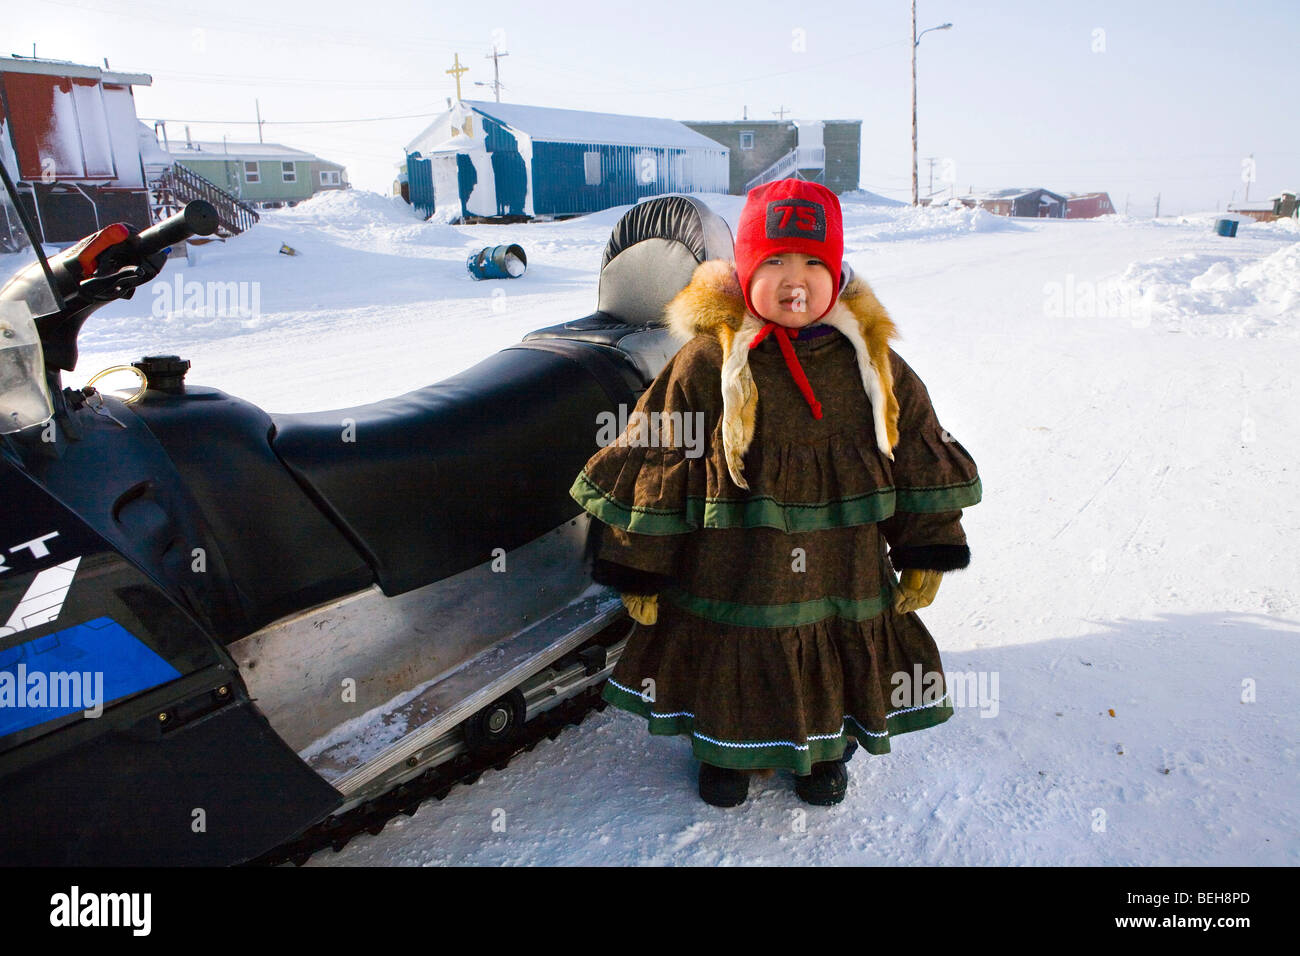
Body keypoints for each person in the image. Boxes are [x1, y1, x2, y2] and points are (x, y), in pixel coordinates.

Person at [569, 179, 981, 808]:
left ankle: (823, 753)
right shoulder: (708, 362)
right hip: (732, 572)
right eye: (776, 262)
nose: (796, 280)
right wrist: (639, 565)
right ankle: (725, 754)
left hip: (840, 575)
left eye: (815, 262)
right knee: (732, 655)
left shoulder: (873, 366)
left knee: (831, 653)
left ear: (837, 272)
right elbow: (658, 464)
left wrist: (929, 547)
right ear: (743, 273)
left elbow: (918, 458)